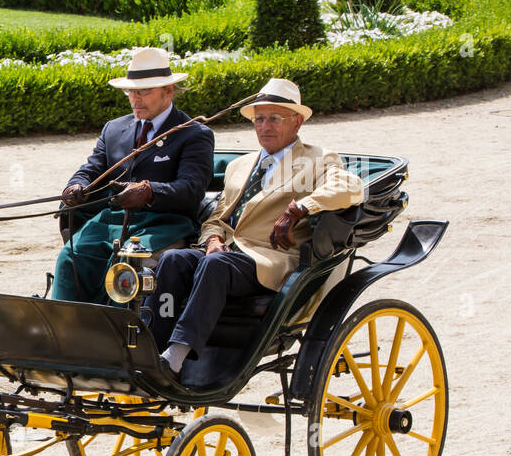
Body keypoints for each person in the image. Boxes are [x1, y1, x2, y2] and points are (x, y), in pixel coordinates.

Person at [144, 78, 363, 375]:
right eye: (259, 119)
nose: (265, 126)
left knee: (216, 266)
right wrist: (212, 240)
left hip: (271, 259)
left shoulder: (318, 159)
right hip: (227, 254)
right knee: (173, 261)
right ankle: (152, 347)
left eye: (275, 118)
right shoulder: (239, 166)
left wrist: (300, 207)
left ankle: (177, 354)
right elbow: (216, 218)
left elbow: (350, 187)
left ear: (297, 123)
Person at [51, 46, 214, 304]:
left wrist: (149, 191)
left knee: (126, 265)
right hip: (110, 219)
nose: (135, 99)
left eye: (144, 92)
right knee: (71, 257)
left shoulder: (194, 134)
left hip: (165, 223)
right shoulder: (114, 129)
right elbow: (93, 168)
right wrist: (76, 185)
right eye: (131, 92)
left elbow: (192, 190)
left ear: (168, 91)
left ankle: (118, 336)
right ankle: (67, 329)